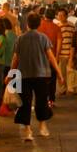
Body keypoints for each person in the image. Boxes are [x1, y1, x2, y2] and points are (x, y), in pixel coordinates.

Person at [13, 13, 62, 142]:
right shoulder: (43, 38)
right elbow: (51, 57)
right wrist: (59, 73)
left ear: (27, 24)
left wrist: (11, 74)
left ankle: (27, 130)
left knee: (25, 103)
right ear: (39, 24)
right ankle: (42, 126)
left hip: (24, 75)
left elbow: (15, 59)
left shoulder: (20, 39)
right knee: (41, 101)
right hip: (42, 74)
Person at [55, 8, 75, 96]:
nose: (60, 17)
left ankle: (70, 88)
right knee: (61, 72)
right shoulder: (57, 26)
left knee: (70, 73)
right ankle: (62, 89)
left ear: (66, 16)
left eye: (62, 15)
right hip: (61, 53)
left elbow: (73, 40)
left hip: (70, 53)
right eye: (59, 15)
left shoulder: (72, 26)